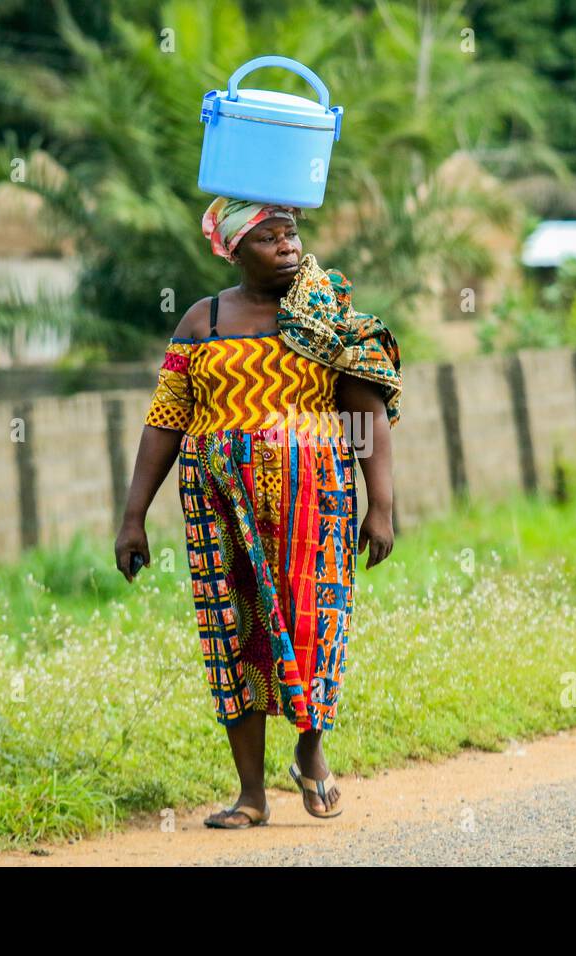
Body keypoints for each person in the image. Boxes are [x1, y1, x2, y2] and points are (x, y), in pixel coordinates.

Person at [114, 195, 402, 828]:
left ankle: (310, 751)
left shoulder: (325, 315)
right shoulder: (201, 321)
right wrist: (133, 516)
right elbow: (165, 421)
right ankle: (250, 794)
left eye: (291, 234)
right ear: (234, 250)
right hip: (218, 507)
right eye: (270, 238)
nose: (287, 246)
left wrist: (379, 504)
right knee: (232, 635)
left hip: (314, 504)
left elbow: (366, 412)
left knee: (315, 628)